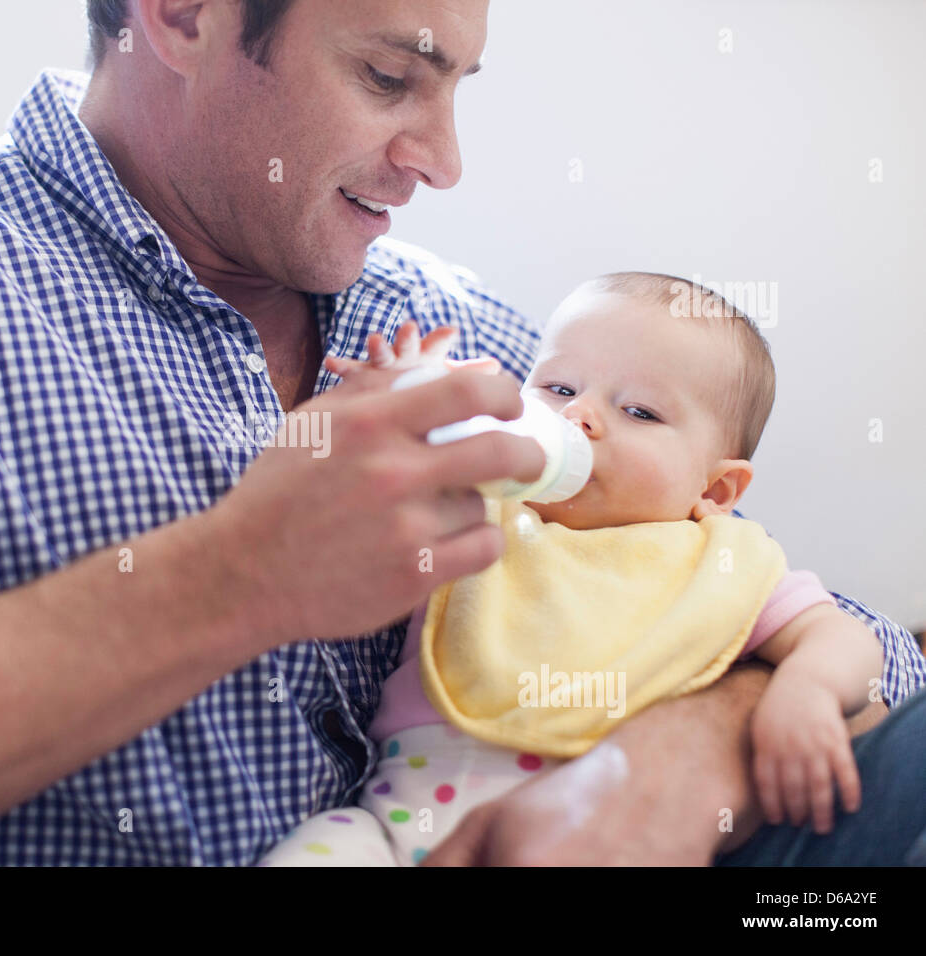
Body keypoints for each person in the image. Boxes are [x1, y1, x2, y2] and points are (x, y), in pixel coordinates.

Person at [0, 0, 922, 867]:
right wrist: (238, 576)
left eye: (458, 87)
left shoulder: (464, 331)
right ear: (183, 13)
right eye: (390, 77)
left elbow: (754, 586)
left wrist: (673, 760)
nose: (444, 159)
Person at [260, 274, 885, 865]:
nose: (578, 416)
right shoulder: (478, 504)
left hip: (608, 835)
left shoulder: (715, 561)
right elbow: (373, 529)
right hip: (399, 826)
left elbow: (836, 636)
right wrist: (405, 404)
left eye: (640, 412)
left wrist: (809, 687)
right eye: (559, 388)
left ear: (717, 490)